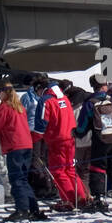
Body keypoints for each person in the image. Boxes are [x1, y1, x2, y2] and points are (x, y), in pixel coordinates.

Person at [0, 81, 44, 221]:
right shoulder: (18, 106)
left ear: (3, 92)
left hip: (16, 146)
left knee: (16, 179)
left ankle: (22, 209)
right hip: (26, 145)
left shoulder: (5, 107)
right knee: (23, 179)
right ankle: (33, 208)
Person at [76, 74, 112, 209]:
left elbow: (82, 126)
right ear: (104, 86)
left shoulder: (90, 103)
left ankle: (98, 199)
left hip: (99, 140)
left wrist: (77, 133)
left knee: (97, 168)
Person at [32, 73, 81, 209]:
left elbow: (41, 124)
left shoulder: (46, 101)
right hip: (70, 138)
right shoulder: (64, 98)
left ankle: (69, 200)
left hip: (56, 140)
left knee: (58, 171)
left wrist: (34, 140)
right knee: (70, 170)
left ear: (40, 88)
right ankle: (82, 197)